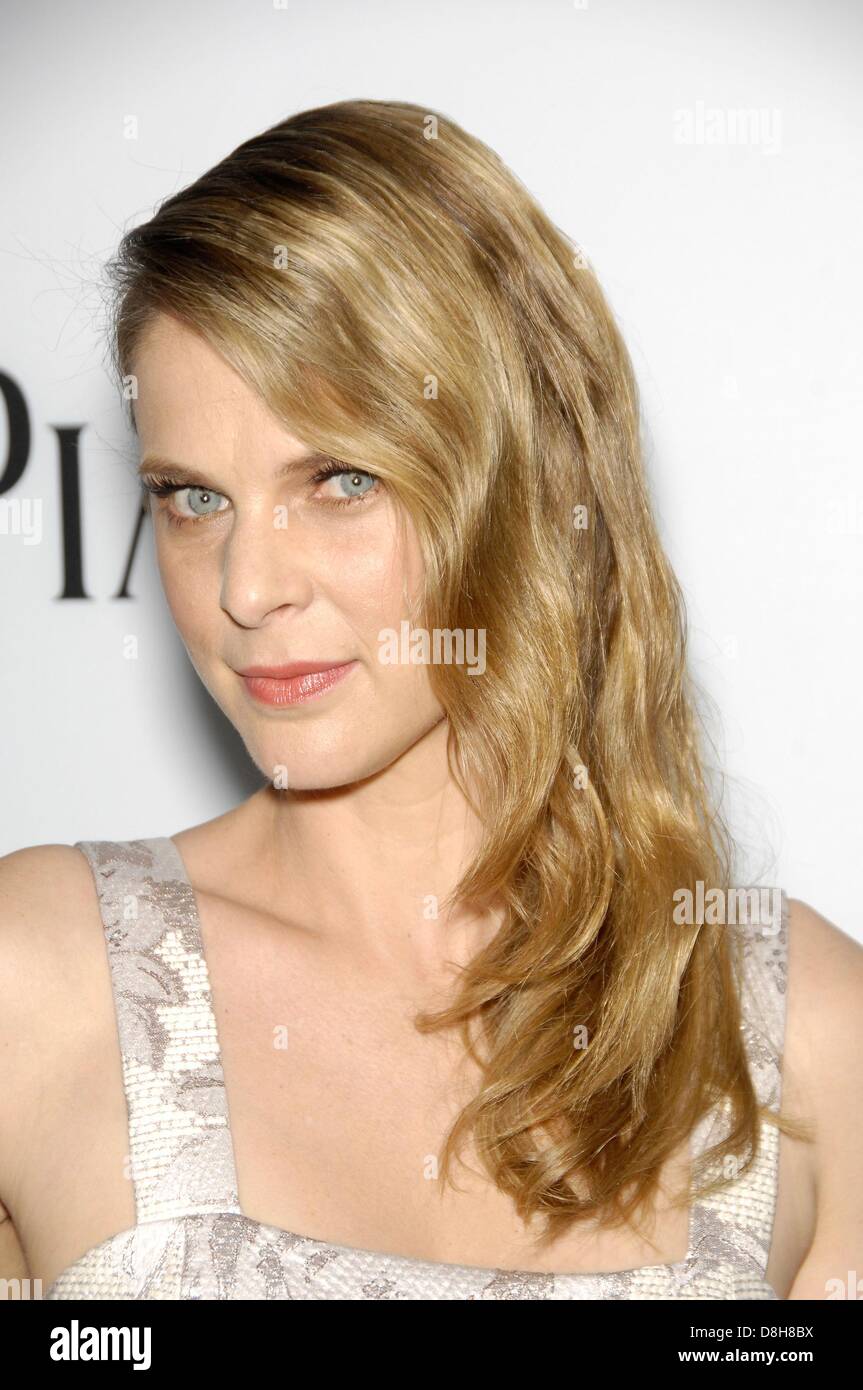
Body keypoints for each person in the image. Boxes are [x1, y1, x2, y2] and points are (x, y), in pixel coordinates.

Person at [1, 99, 860, 1301]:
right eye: (193, 498)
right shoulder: (36, 972)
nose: (245, 588)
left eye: (340, 479)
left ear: (529, 479)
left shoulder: (798, 1029)